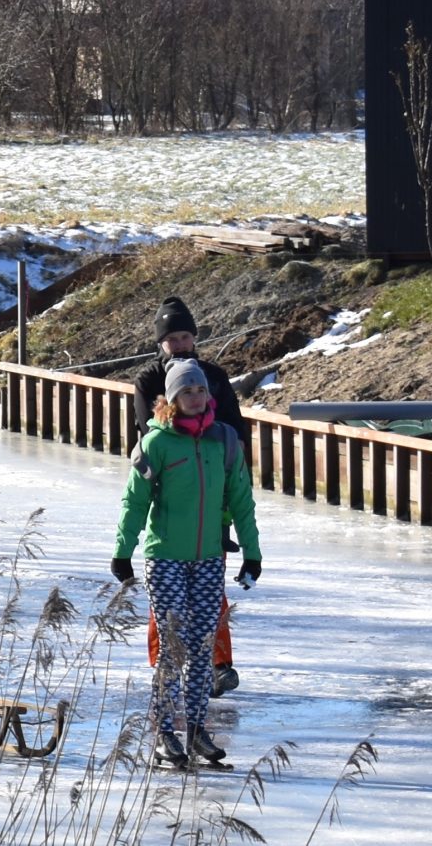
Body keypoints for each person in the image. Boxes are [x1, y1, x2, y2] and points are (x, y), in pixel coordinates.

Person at [112, 359, 263, 767]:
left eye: (200, 392)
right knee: (174, 647)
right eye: (186, 393)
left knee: (201, 648)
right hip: (165, 558)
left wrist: (252, 552)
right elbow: (135, 501)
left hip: (209, 558)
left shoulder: (226, 441)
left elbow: (242, 501)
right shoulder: (156, 443)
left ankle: (195, 731)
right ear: (172, 399)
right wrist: (123, 551)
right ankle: (164, 733)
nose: (195, 398)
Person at [131, 296, 247, 696]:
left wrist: (229, 499)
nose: (179, 344)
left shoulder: (213, 375)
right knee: (165, 599)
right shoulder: (148, 379)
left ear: (195, 336)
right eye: (171, 338)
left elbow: (235, 431)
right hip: (170, 496)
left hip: (212, 493)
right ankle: (166, 660)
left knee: (211, 592)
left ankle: (217, 663)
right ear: (160, 343)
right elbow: (148, 432)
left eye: (185, 336)